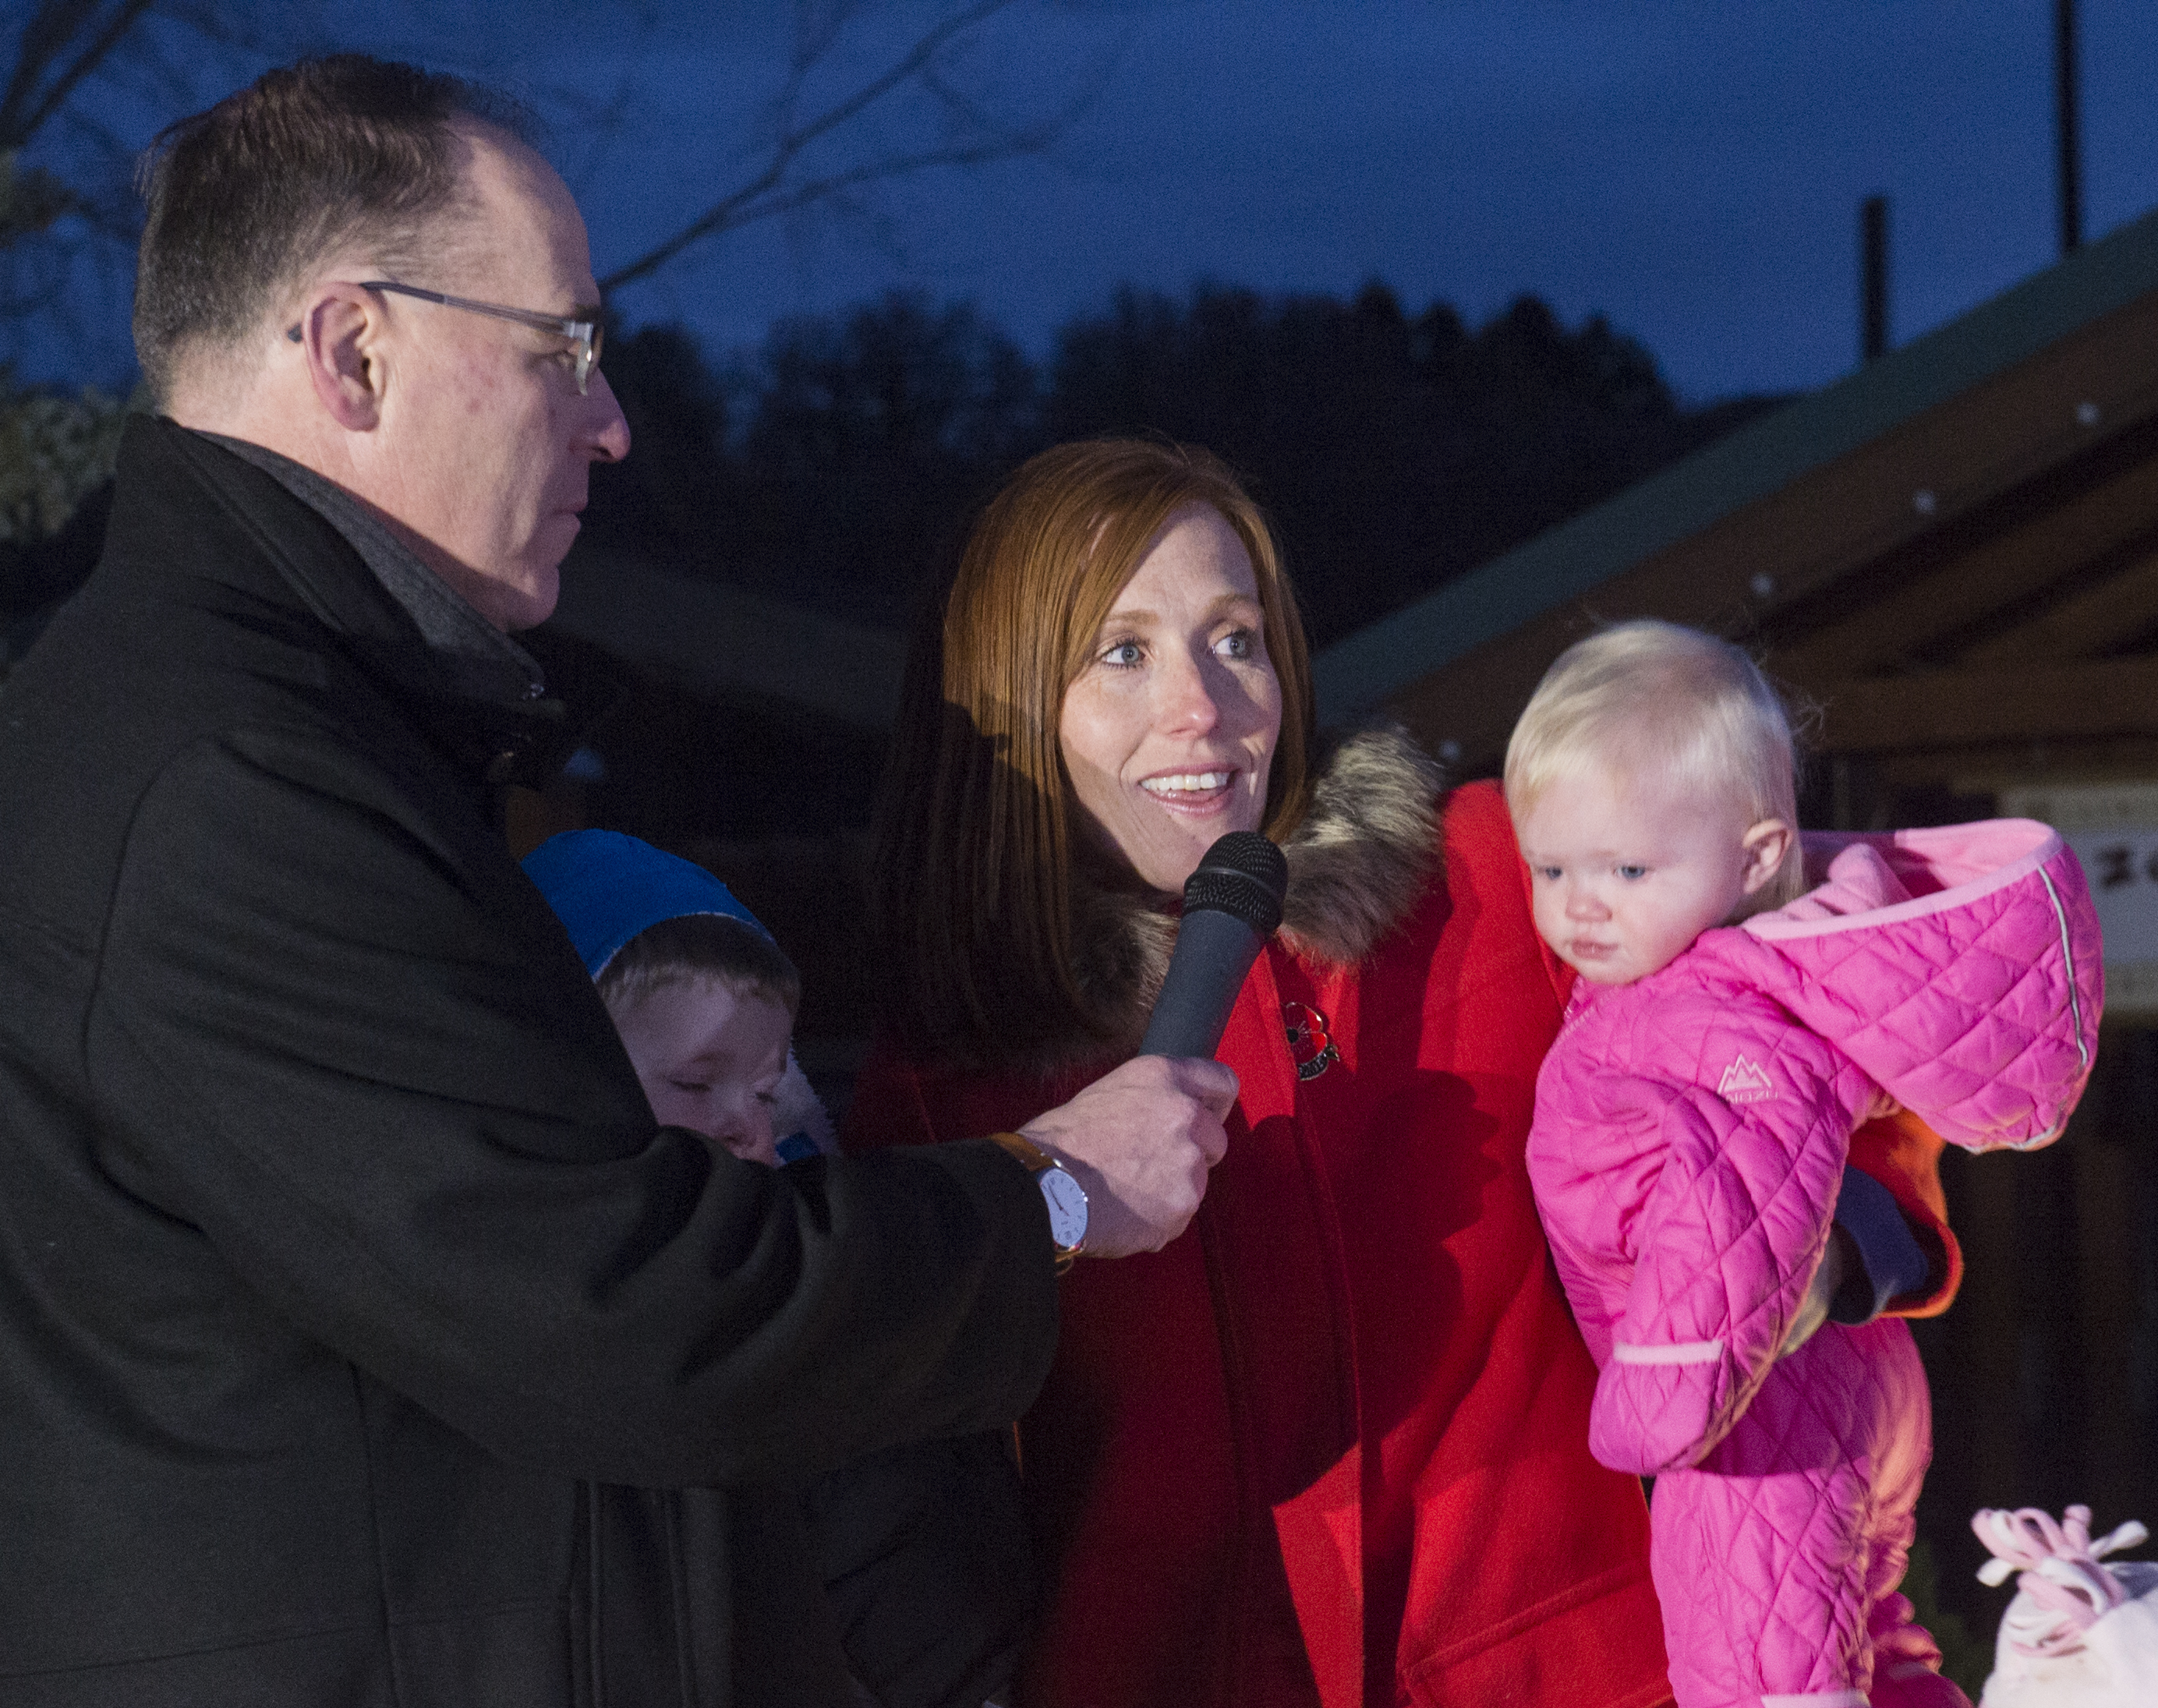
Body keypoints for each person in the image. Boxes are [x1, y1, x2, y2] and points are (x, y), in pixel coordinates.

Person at [0, 58, 1233, 1706]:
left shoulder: (277, 737)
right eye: (565, 348)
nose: (613, 418)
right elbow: (627, 1312)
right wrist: (1052, 1196)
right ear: (354, 350)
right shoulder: (230, 784)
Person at [844, 437, 1675, 1708]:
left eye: (1233, 638)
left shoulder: (1492, 884)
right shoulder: (947, 1087)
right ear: (1009, 701)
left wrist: (1841, 1231)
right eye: (1120, 653)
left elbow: (1800, 986)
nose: (1203, 706)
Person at [1506, 620, 2103, 1708]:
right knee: (1885, 1637)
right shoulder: (1791, 969)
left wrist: (1670, 1380)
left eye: (1628, 867)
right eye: (1551, 866)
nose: (1580, 902)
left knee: (1767, 1668)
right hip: (1852, 1371)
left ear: (1759, 852)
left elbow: (1745, 1195)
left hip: (1758, 1396)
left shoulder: (1710, 1007)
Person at [522, 829, 1035, 1707]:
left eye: (766, 1092)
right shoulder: (497, 1322)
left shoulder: (817, 1320)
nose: (740, 1124)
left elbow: (914, 1577)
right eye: (692, 1083)